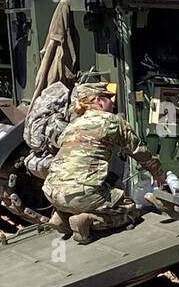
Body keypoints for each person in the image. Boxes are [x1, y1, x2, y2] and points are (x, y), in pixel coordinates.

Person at [42, 82, 165, 244]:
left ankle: (62, 217)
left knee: (95, 191)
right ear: (99, 101)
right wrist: (159, 175)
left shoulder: (73, 125)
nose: (112, 102)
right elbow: (139, 152)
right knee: (129, 209)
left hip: (51, 191)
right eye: (108, 98)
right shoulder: (112, 121)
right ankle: (88, 220)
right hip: (83, 193)